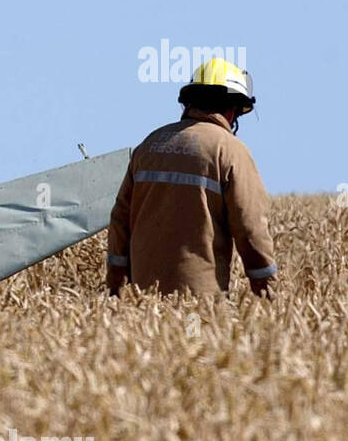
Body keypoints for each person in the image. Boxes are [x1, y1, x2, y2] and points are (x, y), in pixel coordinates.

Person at [106, 58, 277, 298]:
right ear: (232, 110)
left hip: (141, 302)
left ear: (189, 102)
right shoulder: (229, 150)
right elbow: (250, 225)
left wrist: (115, 284)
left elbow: (120, 219)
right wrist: (267, 289)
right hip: (200, 299)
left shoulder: (150, 145)